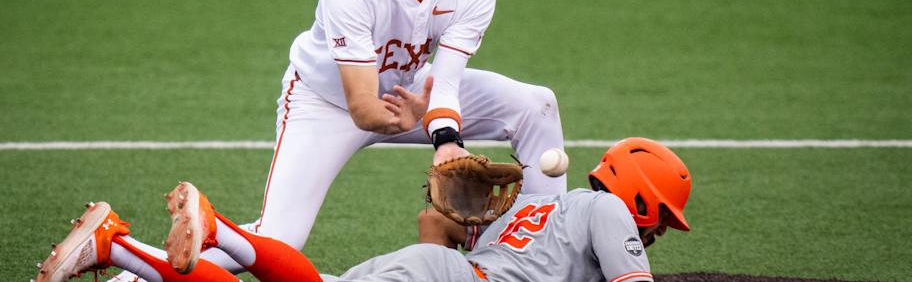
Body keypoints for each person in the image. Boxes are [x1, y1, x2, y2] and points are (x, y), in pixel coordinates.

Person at [108, 0, 566, 281]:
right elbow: (363, 107)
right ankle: (130, 265)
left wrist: (446, 140)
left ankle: (546, 252)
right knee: (281, 238)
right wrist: (409, 123)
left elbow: (444, 82)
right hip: (325, 104)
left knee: (534, 104)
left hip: (411, 92)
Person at [34, 137, 692, 282]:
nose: (659, 226)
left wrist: (463, 221)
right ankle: (218, 229)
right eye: (660, 212)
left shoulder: (550, 209)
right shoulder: (607, 216)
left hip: (434, 269)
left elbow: (434, 230)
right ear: (637, 195)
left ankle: (116, 243)